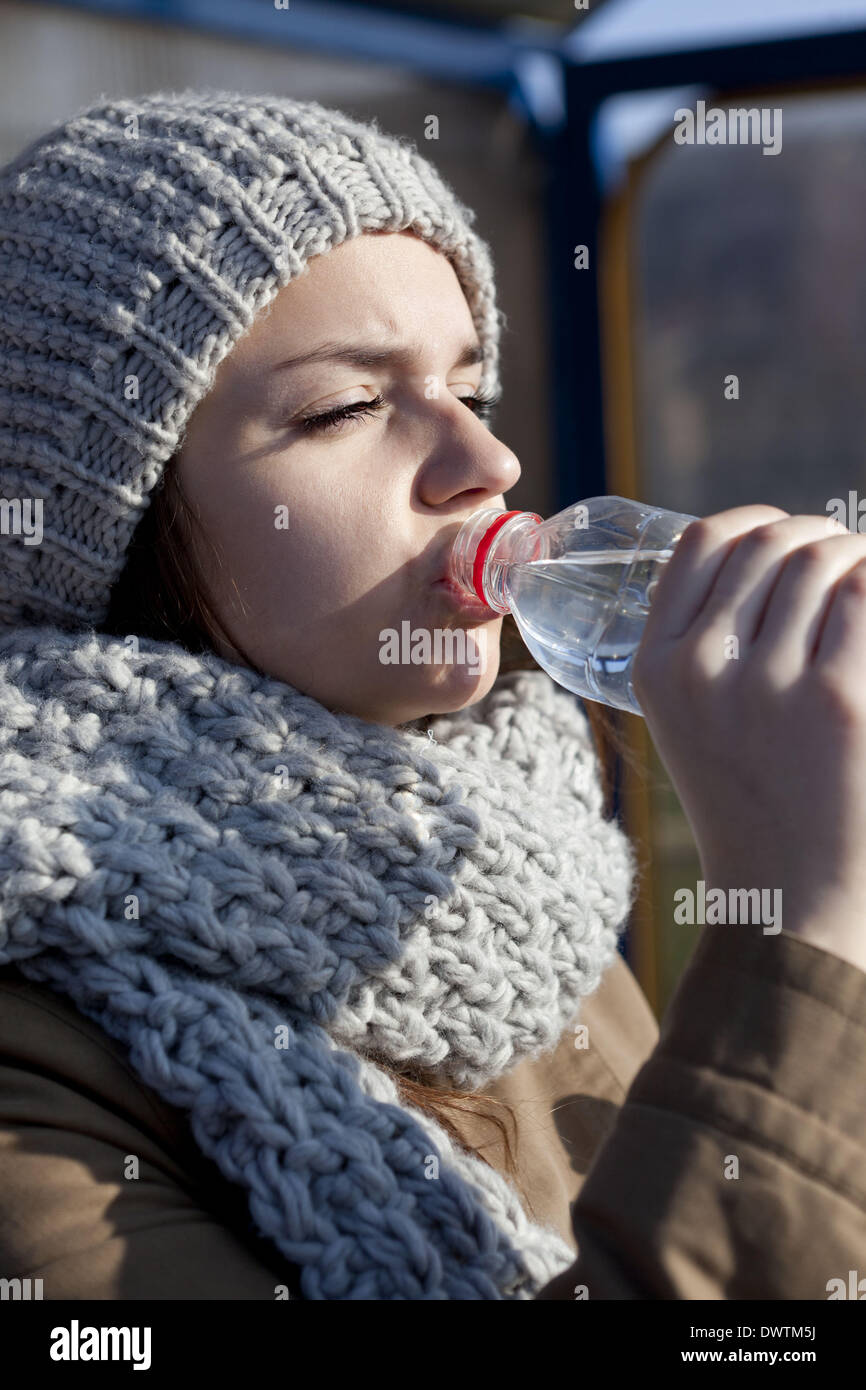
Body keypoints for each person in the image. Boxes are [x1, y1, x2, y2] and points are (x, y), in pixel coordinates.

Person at [0, 90, 863, 1302]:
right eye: (347, 406)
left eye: (468, 388)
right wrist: (797, 942)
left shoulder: (513, 870)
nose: (488, 465)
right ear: (111, 529)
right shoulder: (37, 1061)